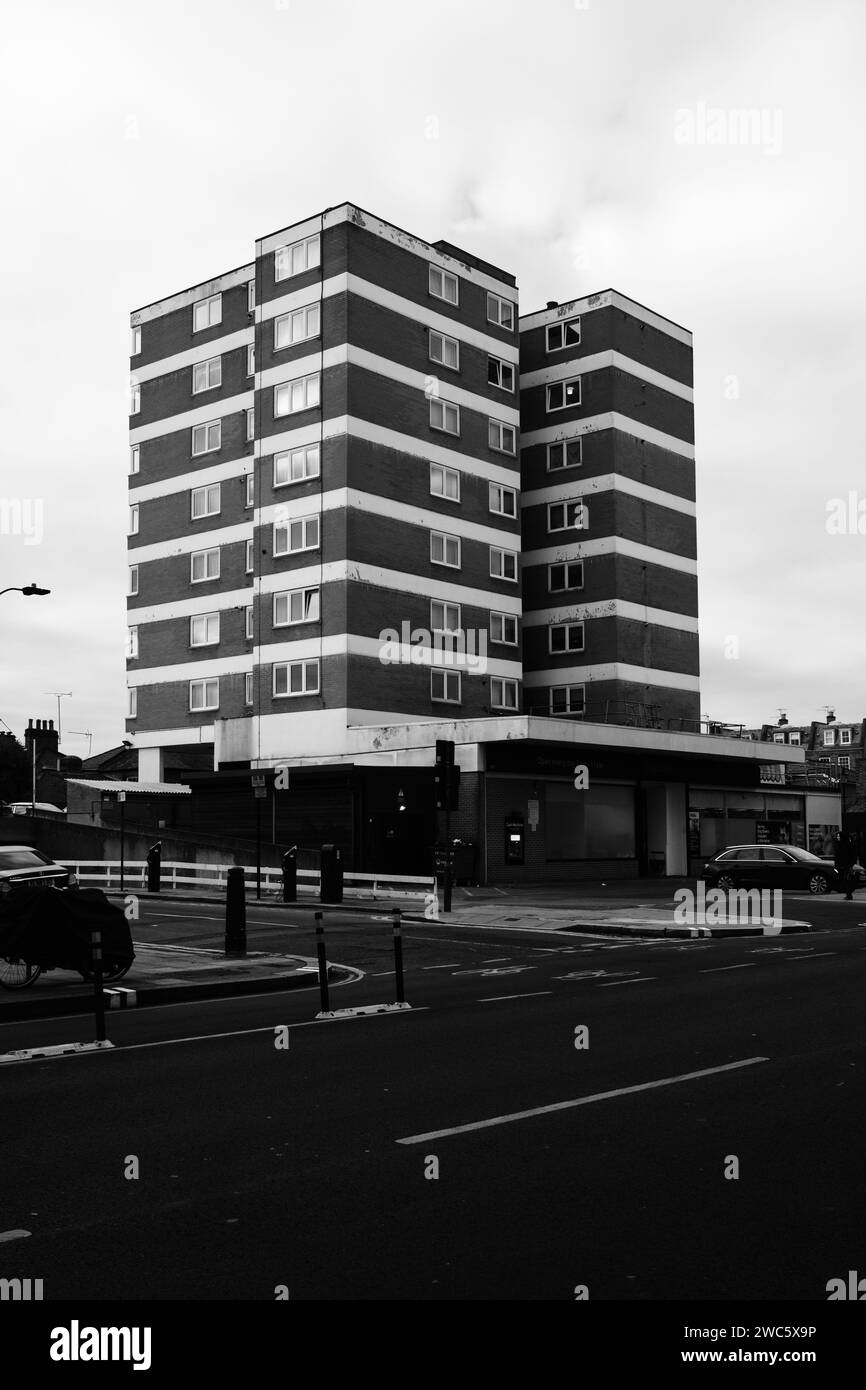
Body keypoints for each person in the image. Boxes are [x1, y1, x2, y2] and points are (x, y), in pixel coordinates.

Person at [833, 830, 858, 901]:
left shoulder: (847, 844)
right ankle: (848, 894)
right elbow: (837, 856)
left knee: (846, 879)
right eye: (837, 836)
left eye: (839, 836)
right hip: (841, 865)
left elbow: (853, 855)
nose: (837, 837)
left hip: (846, 865)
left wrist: (851, 864)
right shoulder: (839, 844)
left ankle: (849, 894)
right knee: (843, 880)